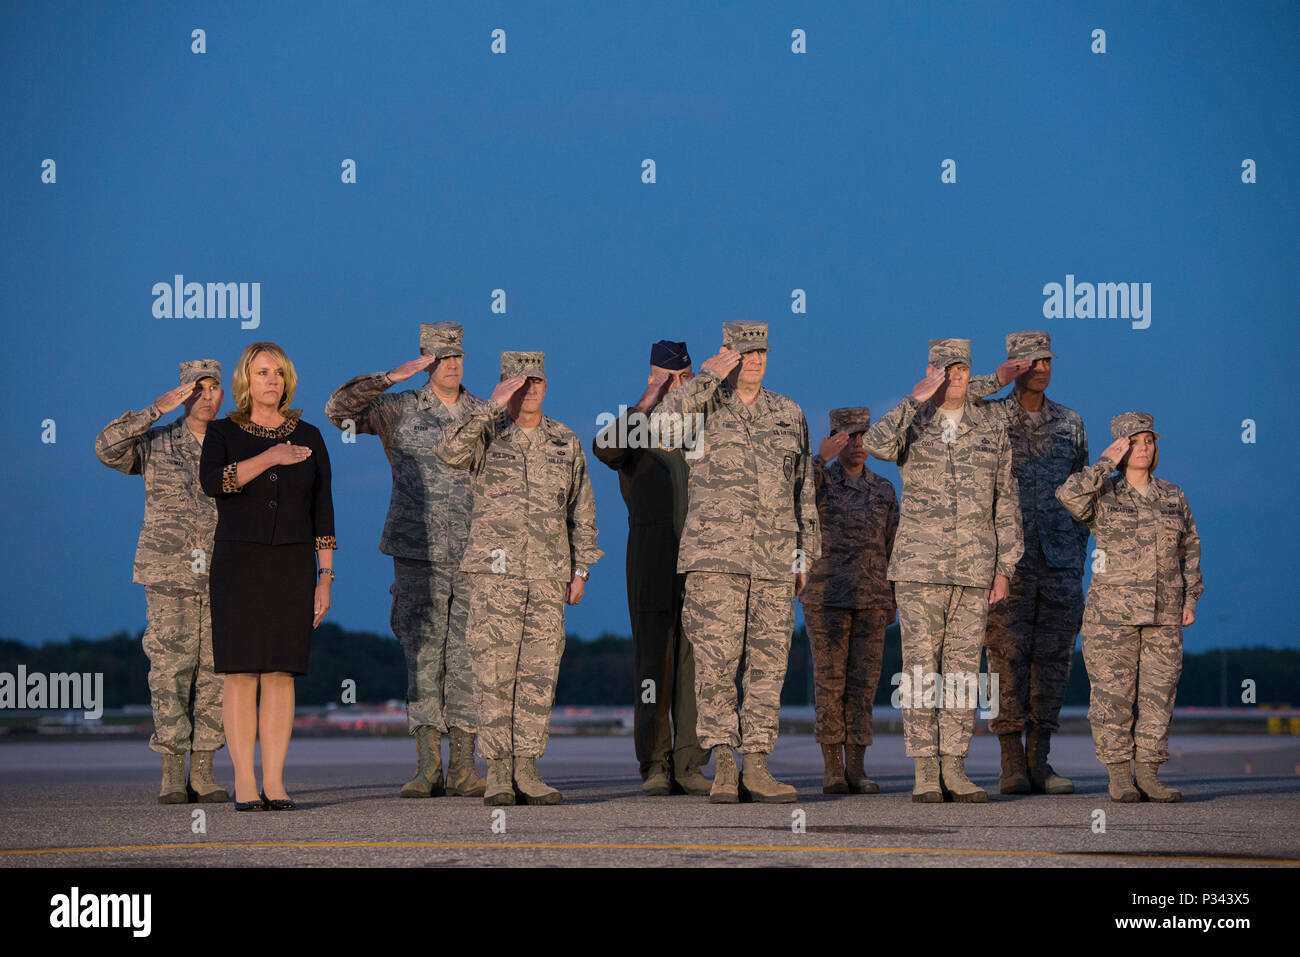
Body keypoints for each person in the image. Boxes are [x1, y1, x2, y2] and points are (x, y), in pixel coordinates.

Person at [653, 321, 820, 804]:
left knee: (768, 667)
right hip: (715, 561)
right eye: (746, 351)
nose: (757, 359)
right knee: (716, 664)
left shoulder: (788, 412)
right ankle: (724, 765)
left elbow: (802, 489)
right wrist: (704, 378)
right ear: (727, 354)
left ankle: (758, 766)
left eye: (762, 350)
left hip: (773, 561)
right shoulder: (703, 405)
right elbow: (658, 430)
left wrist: (803, 553)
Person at [325, 322, 487, 799]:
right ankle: (425, 766)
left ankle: (463, 765)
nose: (451, 365)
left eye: (457, 356)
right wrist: (390, 377)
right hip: (417, 548)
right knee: (421, 655)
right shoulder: (398, 409)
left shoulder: (485, 412)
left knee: (467, 659)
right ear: (424, 359)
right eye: (440, 358)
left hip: (476, 550)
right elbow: (338, 413)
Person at [435, 351, 601, 806]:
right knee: (493, 674)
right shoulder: (485, 432)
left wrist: (581, 568)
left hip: (548, 576)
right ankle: (499, 773)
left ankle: (528, 769)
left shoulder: (564, 440)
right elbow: (447, 451)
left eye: (537, 383)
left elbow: (582, 509)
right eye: (519, 383)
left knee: (538, 675)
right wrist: (490, 405)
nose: (530, 391)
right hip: (496, 576)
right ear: (506, 385)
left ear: (547, 386)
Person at [863, 338, 1022, 803]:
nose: (954, 377)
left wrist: (1004, 567)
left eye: (960, 370)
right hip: (919, 568)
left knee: (961, 674)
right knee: (919, 673)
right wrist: (914, 398)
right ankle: (925, 770)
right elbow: (875, 444)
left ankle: (955, 766)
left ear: (970, 374)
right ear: (932, 373)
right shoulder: (913, 424)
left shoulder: (990, 429)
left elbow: (1005, 502)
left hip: (974, 569)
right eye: (945, 370)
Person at [199, 342, 335, 811]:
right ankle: (242, 781)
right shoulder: (222, 432)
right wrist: (272, 457)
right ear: (246, 381)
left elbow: (324, 512)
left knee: (281, 673)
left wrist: (326, 576)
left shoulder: (313, 436)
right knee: (240, 673)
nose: (271, 381)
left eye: (278, 373)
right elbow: (214, 482)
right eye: (261, 373)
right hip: (238, 564)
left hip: (293, 566)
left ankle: (274, 782)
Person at [95, 360, 229, 804]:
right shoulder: (156, 443)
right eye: (196, 388)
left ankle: (204, 772)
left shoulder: (234, 443)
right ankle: (173, 771)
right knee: (170, 672)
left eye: (213, 388)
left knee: (216, 675)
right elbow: (105, 448)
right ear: (182, 392)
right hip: (169, 575)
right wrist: (153, 410)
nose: (206, 396)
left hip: (225, 574)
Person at [1056, 413, 1202, 803]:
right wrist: (1103, 463)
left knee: (1158, 696)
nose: (1143, 449)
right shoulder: (1103, 494)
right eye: (1133, 442)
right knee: (1112, 698)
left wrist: (1190, 600)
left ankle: (1150, 774)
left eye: (1149, 442)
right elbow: (1066, 495)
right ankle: (1120, 776)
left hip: (1163, 615)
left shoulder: (1173, 496)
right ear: (1120, 448)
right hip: (1110, 617)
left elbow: (1190, 549)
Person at [966, 331, 1089, 795]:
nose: (1041, 368)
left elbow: (1083, 491)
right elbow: (945, 402)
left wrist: (1076, 550)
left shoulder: (1070, 422)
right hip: (1007, 563)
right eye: (1030, 362)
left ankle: (1041, 760)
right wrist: (994, 380)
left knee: (1054, 662)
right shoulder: (989, 415)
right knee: (1004, 660)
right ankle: (1011, 761)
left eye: (1047, 361)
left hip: (1059, 561)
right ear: (1014, 365)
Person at [591, 340, 711, 796]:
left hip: (703, 555)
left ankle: (690, 764)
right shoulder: (637, 427)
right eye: (667, 377)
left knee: (699, 661)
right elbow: (604, 449)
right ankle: (655, 764)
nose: (677, 387)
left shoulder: (707, 424)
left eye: (684, 378)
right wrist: (647, 401)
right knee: (652, 662)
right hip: (651, 551)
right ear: (652, 377)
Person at [801, 407, 898, 794]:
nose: (858, 444)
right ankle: (832, 769)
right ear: (835, 438)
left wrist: (893, 597)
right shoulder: (819, 481)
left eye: (863, 436)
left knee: (864, 687)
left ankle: (857, 767)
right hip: (827, 598)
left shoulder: (884, 489)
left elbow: (894, 546)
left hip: (872, 598)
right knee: (829, 685)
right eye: (849, 437)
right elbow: (786, 490)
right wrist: (819, 457)